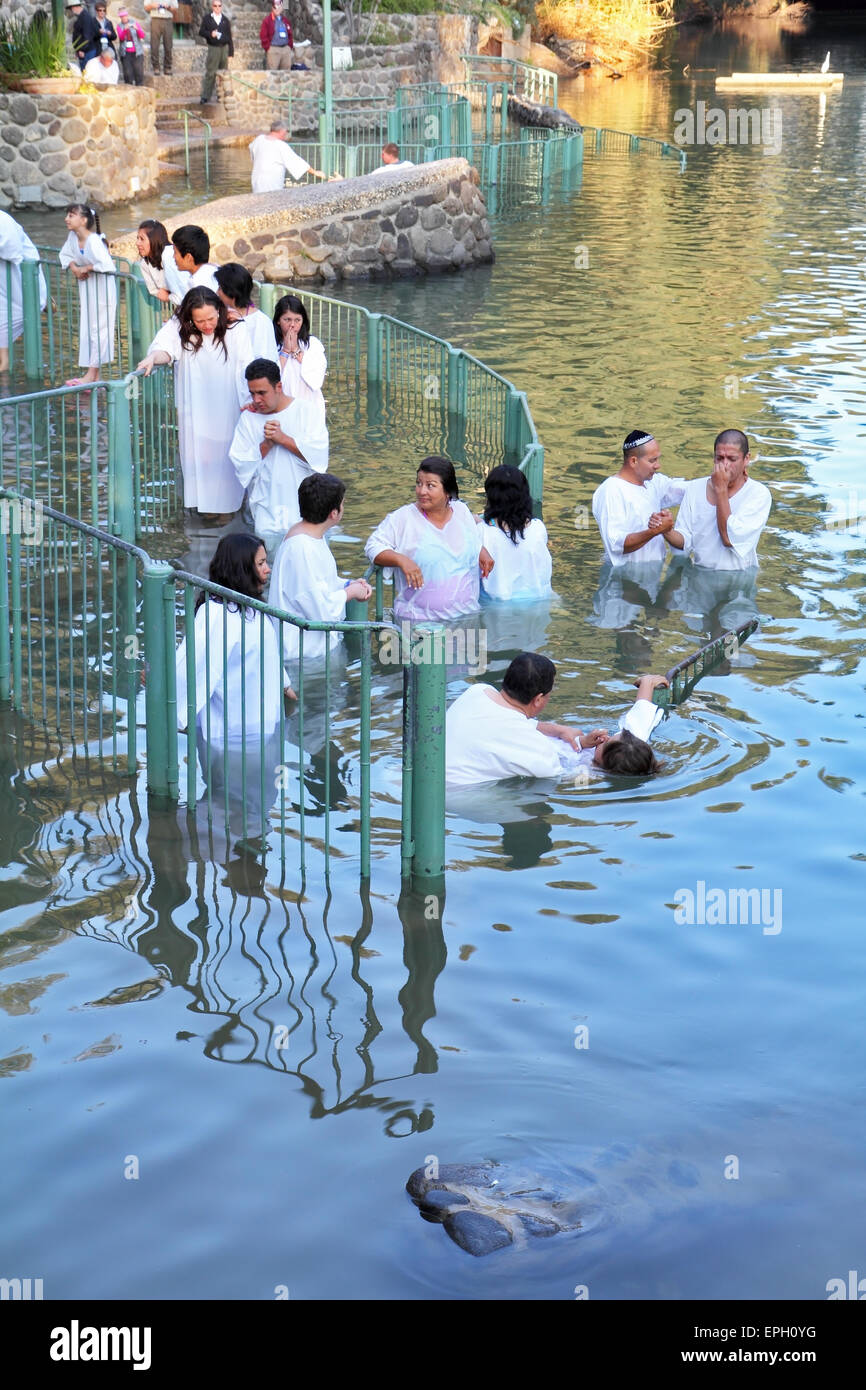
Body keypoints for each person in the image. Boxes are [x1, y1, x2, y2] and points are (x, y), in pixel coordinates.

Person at [174, 534, 285, 828]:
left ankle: (238, 845)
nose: (268, 569)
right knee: (235, 805)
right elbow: (191, 666)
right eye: (261, 563)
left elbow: (266, 656)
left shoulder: (252, 607)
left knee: (248, 805)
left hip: (256, 731)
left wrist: (284, 684)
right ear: (242, 569)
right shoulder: (216, 614)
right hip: (233, 736)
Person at [445, 654, 667, 788]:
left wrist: (573, 740)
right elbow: (638, 723)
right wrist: (579, 743)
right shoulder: (541, 753)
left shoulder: (476, 691)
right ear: (539, 699)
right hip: (458, 794)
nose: (604, 738)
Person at [137, 287, 250, 522]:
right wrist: (152, 358)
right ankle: (206, 516)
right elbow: (164, 350)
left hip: (229, 407)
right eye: (200, 321)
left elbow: (246, 365)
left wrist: (250, 401)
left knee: (228, 462)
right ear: (190, 318)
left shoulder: (235, 328)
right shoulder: (180, 328)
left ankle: (227, 516)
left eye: (211, 318)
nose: (207, 325)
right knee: (199, 461)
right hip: (195, 409)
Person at [365, 456, 494, 622]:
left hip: (467, 617)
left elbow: (470, 539)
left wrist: (481, 551)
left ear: (448, 491)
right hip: (419, 623)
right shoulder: (404, 518)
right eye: (419, 483)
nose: (421, 491)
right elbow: (372, 546)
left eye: (430, 486)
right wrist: (401, 560)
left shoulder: (461, 511)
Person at [269, 473, 372, 667]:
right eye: (343, 503)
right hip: (303, 657)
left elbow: (320, 583)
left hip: (312, 652)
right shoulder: (301, 548)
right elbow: (317, 607)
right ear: (334, 513)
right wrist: (350, 593)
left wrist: (349, 584)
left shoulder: (310, 536)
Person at [228, 357, 330, 542]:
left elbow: (319, 457)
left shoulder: (306, 411)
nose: (257, 400)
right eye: (252, 394)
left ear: (279, 387)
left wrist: (282, 439)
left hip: (306, 513)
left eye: (262, 393)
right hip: (267, 514)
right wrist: (266, 445)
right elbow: (240, 463)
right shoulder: (248, 419)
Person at [662, 430, 772, 570]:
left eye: (732, 459)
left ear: (746, 459)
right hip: (699, 576)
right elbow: (685, 541)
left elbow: (729, 539)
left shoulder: (758, 494)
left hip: (738, 578)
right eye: (719, 458)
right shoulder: (695, 488)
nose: (725, 465)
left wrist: (721, 489)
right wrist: (665, 530)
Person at [591, 429, 687, 566]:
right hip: (624, 580)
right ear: (634, 461)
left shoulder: (653, 483)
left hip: (653, 575)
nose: (658, 465)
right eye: (652, 460)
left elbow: (687, 490)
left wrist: (721, 482)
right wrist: (655, 531)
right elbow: (616, 545)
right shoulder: (611, 491)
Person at [59, 203, 117, 386]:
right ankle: (94, 376)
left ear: (83, 220)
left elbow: (108, 265)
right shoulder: (72, 237)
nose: (67, 219)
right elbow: (65, 255)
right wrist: (75, 268)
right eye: (67, 215)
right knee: (89, 327)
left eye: (71, 215)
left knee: (100, 329)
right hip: (88, 287)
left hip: (103, 288)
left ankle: (91, 375)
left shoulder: (94, 241)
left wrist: (87, 267)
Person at [477, 464, 552, 602]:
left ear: (491, 497)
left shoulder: (481, 533)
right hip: (537, 602)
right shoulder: (538, 528)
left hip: (496, 606)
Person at [0, 210, 47, 373]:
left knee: (19, 313)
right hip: (5, 284)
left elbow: (12, 250)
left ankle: (27, 375)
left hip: (20, 280)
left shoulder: (3, 220)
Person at [272, 293, 326, 423]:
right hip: (280, 410)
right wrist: (285, 351)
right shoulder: (270, 343)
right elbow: (268, 379)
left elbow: (316, 379)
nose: (292, 325)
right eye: (287, 320)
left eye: (297, 320)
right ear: (278, 320)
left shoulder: (313, 344)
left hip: (309, 408)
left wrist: (296, 351)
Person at [214, 263, 279, 364]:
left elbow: (266, 360)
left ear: (231, 292)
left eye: (220, 288)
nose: (217, 292)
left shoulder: (261, 322)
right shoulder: (216, 315)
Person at [249, 119, 329, 193]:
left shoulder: (259, 140)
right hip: (271, 185)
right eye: (285, 132)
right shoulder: (280, 146)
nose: (285, 135)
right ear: (282, 131)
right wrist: (315, 172)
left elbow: (252, 152)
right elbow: (297, 162)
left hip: (257, 182)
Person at [198, 0, 233, 105]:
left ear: (221, 6)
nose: (217, 7)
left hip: (224, 48)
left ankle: (221, 96)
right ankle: (205, 96)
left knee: (223, 74)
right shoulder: (207, 19)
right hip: (213, 48)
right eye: (215, 6)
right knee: (211, 72)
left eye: (219, 6)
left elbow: (230, 37)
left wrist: (231, 53)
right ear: (212, 7)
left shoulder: (225, 20)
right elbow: (201, 32)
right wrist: (210, 34)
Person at [170, 225, 218, 292]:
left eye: (175, 252)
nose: (173, 257)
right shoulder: (215, 269)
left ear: (188, 257)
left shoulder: (198, 286)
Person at [135, 219, 172, 303]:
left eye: (142, 239)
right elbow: (155, 291)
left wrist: (168, 294)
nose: (137, 243)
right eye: (137, 238)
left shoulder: (170, 255)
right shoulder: (144, 263)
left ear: (154, 239)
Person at [144, 0, 177, 77]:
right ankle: (156, 67)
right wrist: (153, 6)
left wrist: (168, 7)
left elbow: (175, 9)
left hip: (168, 20)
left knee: (168, 45)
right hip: (155, 19)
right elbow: (146, 7)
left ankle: (168, 67)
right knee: (154, 45)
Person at [67, 0, 101, 70]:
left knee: (87, 72)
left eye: (71, 8)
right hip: (85, 51)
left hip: (87, 51)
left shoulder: (85, 17)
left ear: (74, 7)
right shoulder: (82, 16)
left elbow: (87, 36)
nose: (71, 11)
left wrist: (82, 49)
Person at [259, 0, 293, 70]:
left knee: (286, 74)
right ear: (272, 8)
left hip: (285, 50)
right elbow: (263, 36)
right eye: (275, 7)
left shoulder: (286, 20)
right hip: (273, 50)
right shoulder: (267, 21)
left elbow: (290, 34)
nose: (277, 9)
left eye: (279, 7)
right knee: (272, 73)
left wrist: (289, 46)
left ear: (282, 8)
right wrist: (268, 48)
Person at [116, 8, 146, 85]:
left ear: (127, 15)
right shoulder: (119, 26)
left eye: (125, 15)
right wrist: (125, 30)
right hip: (126, 53)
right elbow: (121, 38)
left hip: (137, 52)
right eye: (121, 16)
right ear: (120, 17)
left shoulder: (134, 23)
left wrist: (137, 29)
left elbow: (142, 35)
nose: (123, 17)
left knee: (139, 74)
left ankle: (140, 91)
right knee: (128, 74)